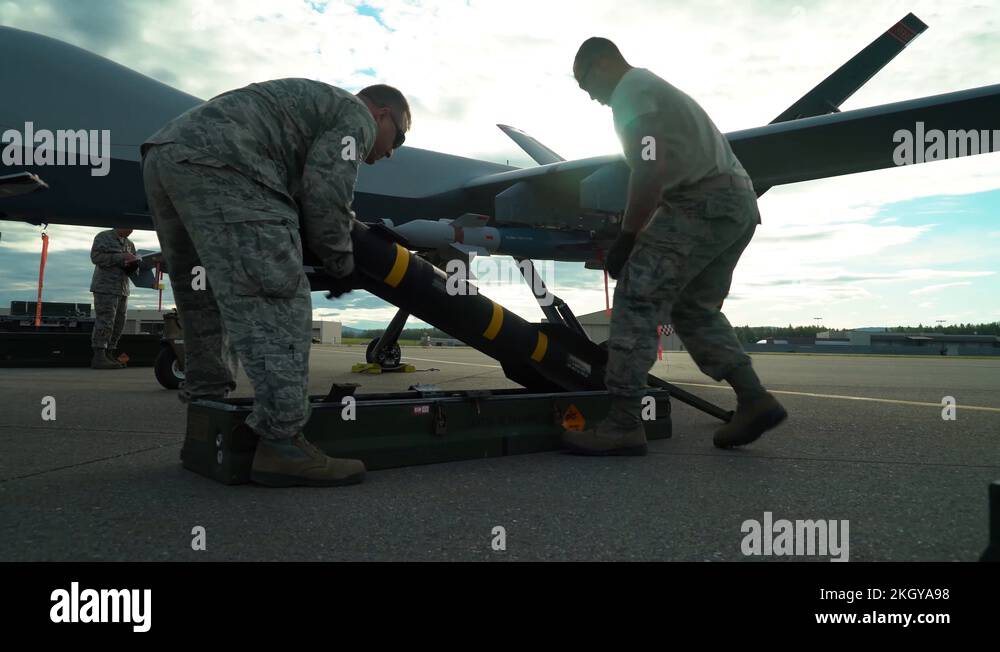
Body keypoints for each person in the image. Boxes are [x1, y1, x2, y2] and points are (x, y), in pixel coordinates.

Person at [141, 79, 410, 487]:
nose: (390, 152)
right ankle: (282, 446)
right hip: (229, 164)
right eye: (399, 138)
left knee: (203, 300)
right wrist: (342, 263)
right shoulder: (354, 116)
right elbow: (326, 195)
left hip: (167, 159)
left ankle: (205, 428)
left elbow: (307, 197)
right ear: (382, 114)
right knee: (277, 300)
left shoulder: (308, 107)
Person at [563, 38, 787, 455]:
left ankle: (623, 423)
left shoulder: (630, 90)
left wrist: (628, 237)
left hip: (700, 203)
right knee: (692, 308)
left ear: (602, 62)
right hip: (737, 204)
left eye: (585, 83)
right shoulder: (654, 89)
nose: (590, 96)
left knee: (636, 296)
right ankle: (754, 399)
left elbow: (649, 167)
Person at [89, 227, 138, 369]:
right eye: (129, 227)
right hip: (105, 287)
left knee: (119, 322)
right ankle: (99, 356)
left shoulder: (130, 244)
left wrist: (135, 264)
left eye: (133, 229)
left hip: (122, 289)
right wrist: (121, 257)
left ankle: (110, 353)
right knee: (105, 320)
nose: (131, 231)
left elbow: (131, 267)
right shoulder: (103, 237)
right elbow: (96, 257)